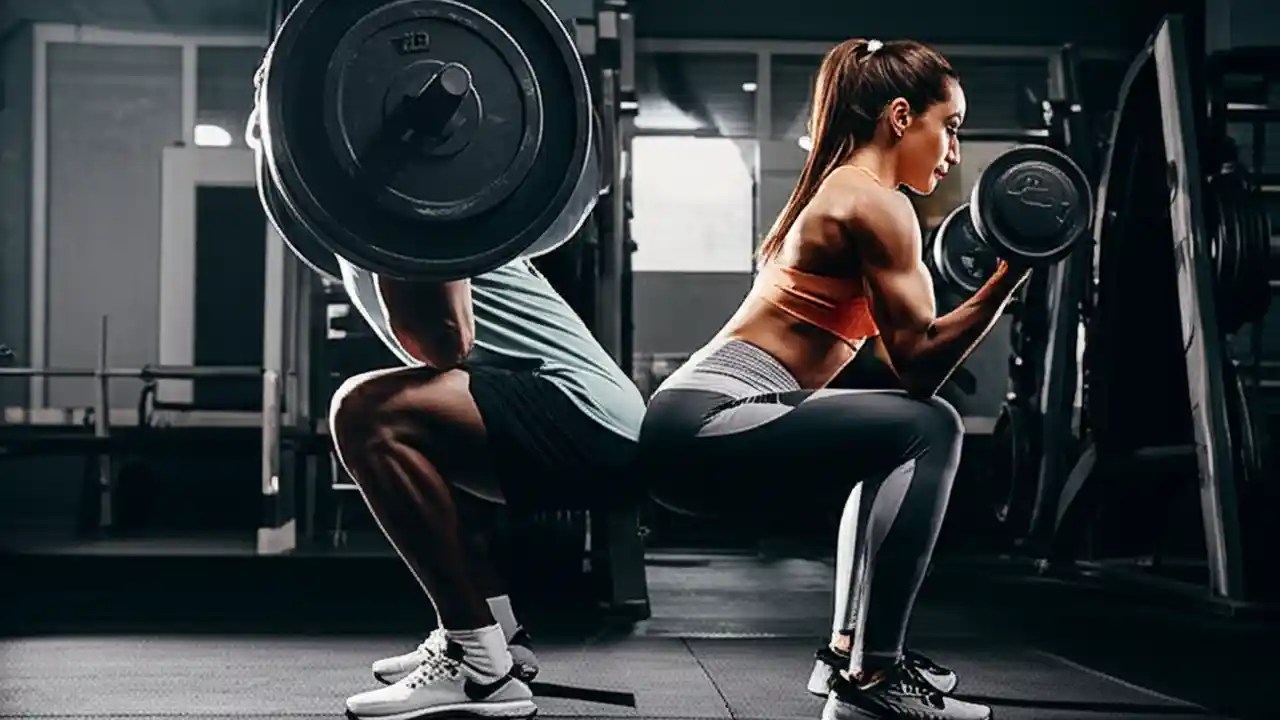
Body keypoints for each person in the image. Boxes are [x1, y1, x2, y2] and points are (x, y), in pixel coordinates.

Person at [637, 38, 1030, 720]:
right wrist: (1011, 273)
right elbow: (921, 366)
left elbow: (899, 353)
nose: (955, 152)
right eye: (953, 127)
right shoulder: (875, 203)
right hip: (707, 424)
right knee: (928, 427)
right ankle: (874, 680)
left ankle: (848, 652)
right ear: (902, 117)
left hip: (689, 424)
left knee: (887, 438)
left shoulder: (844, 191)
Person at [329, 251, 646, 720]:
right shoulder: (361, 223)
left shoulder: (413, 215)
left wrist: (392, 253)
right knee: (426, 428)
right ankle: (500, 637)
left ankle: (478, 667)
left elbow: (447, 343)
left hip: (587, 416)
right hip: (595, 421)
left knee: (364, 413)